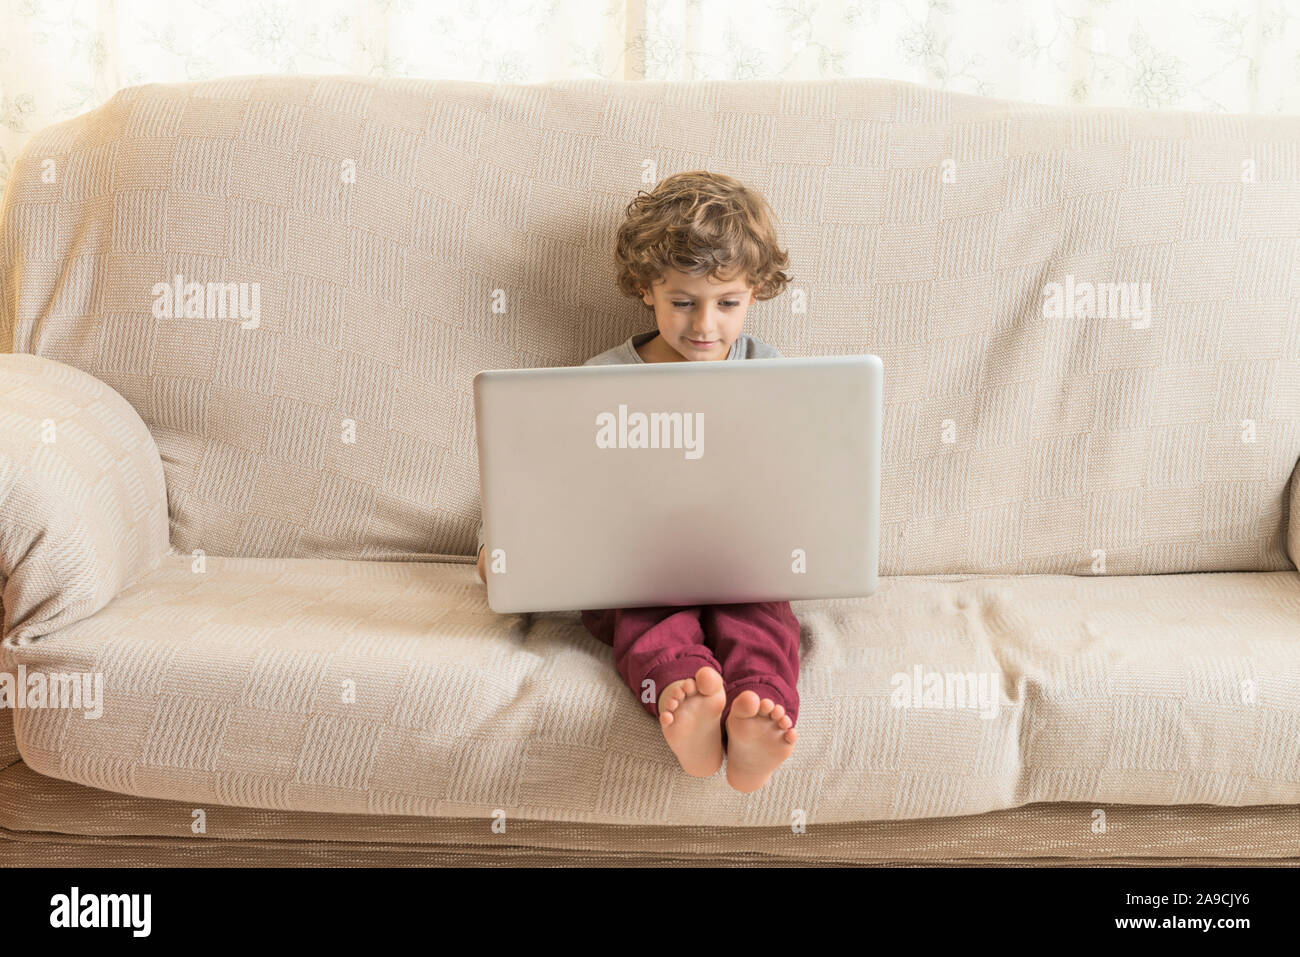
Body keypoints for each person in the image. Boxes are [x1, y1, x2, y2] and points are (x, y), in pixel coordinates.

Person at [477, 170, 800, 792]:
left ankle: (755, 709)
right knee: (645, 613)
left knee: (763, 613)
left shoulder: (772, 373)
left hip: (740, 556)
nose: (706, 325)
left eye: (727, 303)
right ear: (646, 290)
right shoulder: (599, 379)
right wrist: (498, 546)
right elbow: (537, 480)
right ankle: (684, 692)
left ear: (754, 294)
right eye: (683, 302)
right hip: (633, 563)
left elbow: (805, 478)